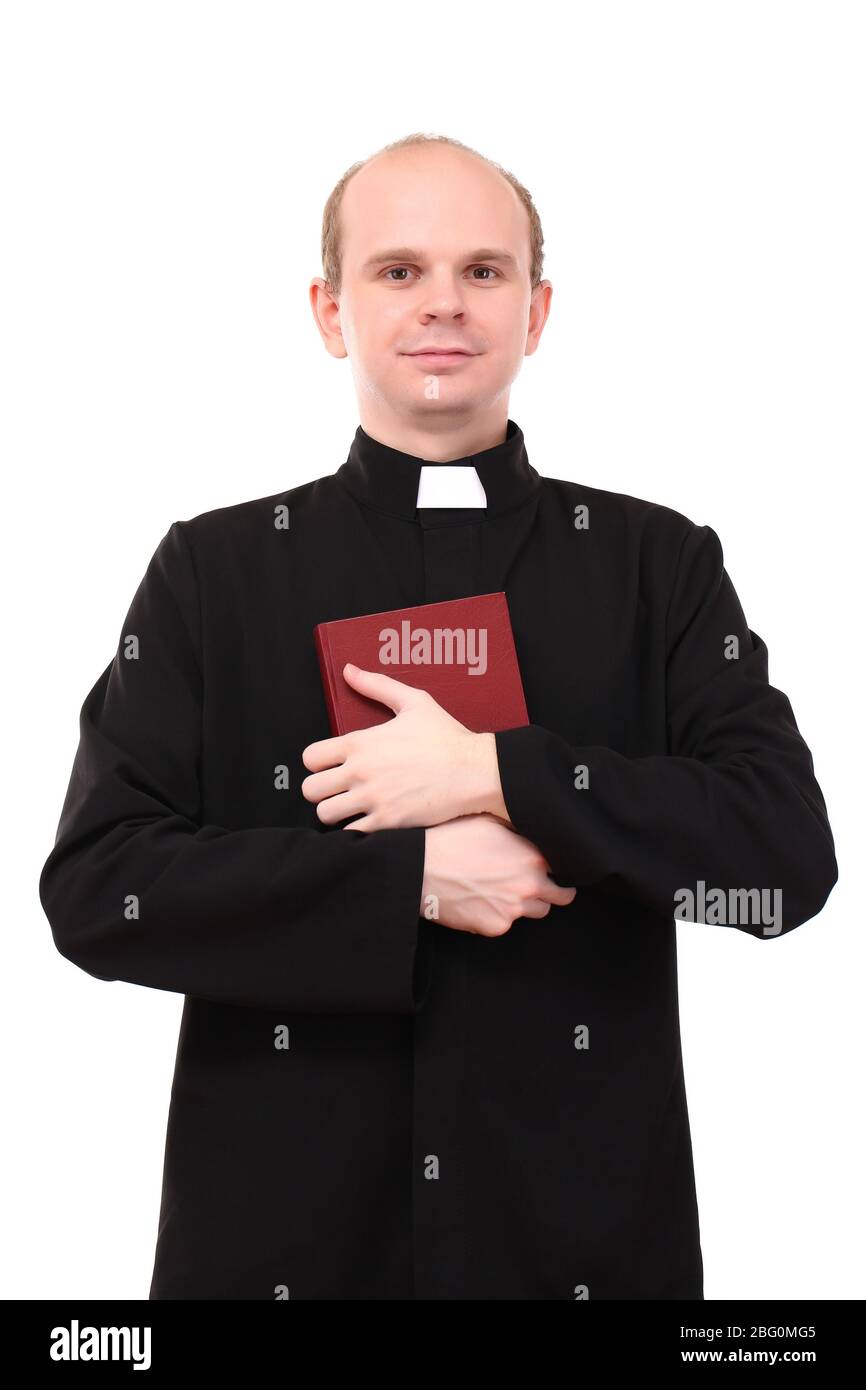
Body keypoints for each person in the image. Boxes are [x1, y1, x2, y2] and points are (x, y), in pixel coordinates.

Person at [39, 132, 837, 1300]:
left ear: (537, 308)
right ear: (329, 311)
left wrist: (501, 773)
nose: (442, 305)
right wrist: (402, 883)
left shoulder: (653, 564)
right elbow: (101, 889)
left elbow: (781, 867)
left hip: (581, 1243)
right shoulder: (213, 572)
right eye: (398, 270)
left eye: (482, 270)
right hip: (281, 1247)